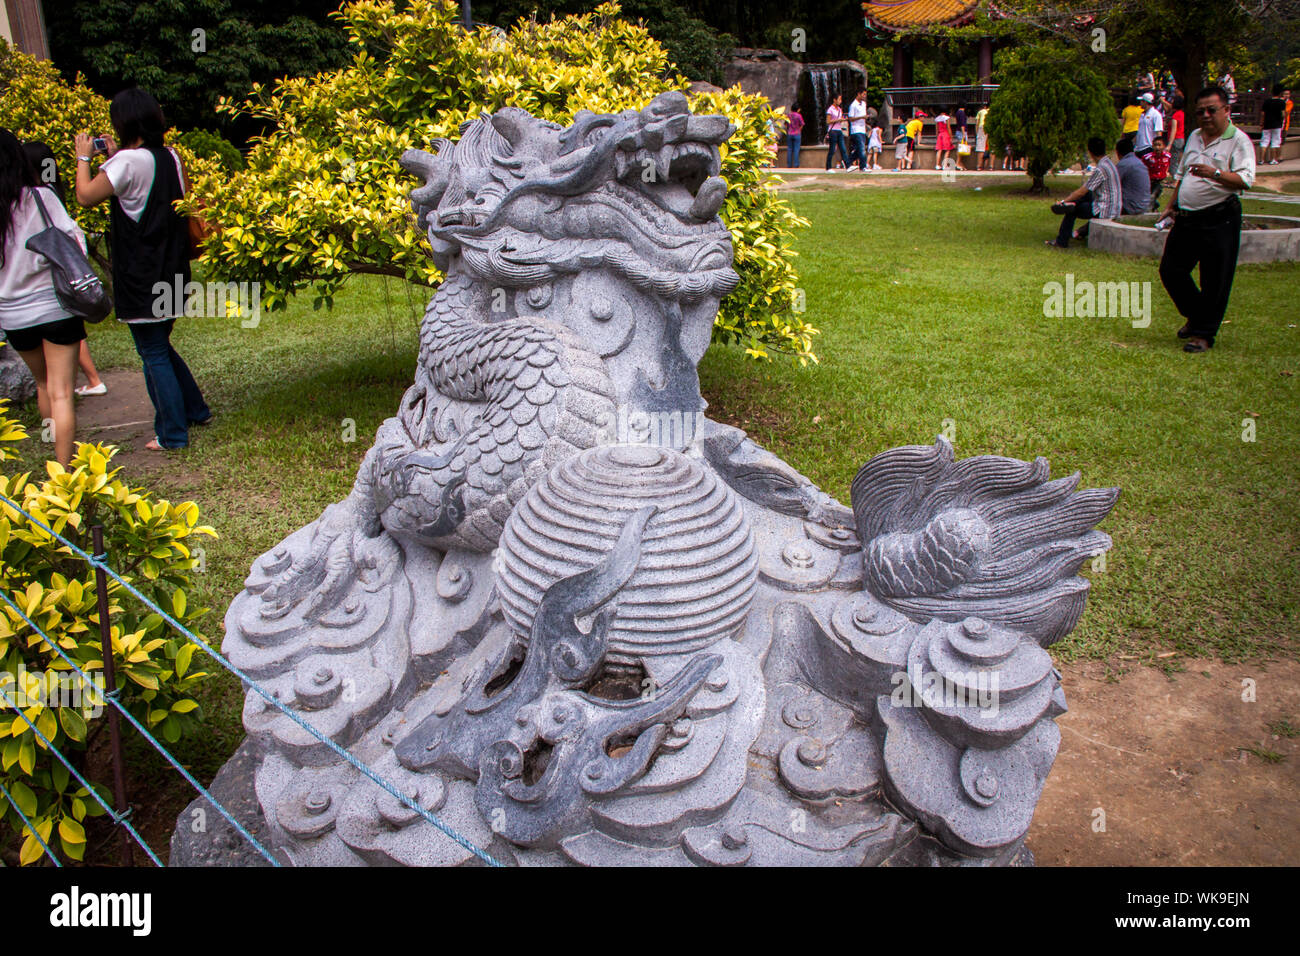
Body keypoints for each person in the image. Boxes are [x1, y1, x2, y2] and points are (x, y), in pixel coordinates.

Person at [75, 87, 210, 450]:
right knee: (160, 344)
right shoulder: (171, 156)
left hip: (141, 274)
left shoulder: (123, 163)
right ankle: (195, 410)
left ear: (123, 122)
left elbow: (85, 196)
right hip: (173, 269)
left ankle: (172, 434)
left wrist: (84, 158)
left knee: (152, 352)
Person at [0, 129, 87, 465]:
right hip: (54, 307)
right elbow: (74, 241)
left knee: (42, 384)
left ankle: (51, 444)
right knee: (62, 392)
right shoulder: (40, 197)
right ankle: (63, 474)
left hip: (12, 315)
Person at [1156, 85, 1255, 353]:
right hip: (1188, 218)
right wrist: (1171, 204)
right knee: (1171, 270)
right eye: (1201, 111)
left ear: (1226, 110)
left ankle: (1203, 334)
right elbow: (1183, 174)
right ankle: (1198, 317)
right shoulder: (1195, 137)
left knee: (1215, 278)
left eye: (1212, 110)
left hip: (1219, 217)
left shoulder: (1239, 141)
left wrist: (1215, 173)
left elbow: (1246, 180)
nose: (1206, 115)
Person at [22, 141, 106, 398]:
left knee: (48, 386)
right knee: (59, 390)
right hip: (61, 288)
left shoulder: (35, 196)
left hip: (40, 296)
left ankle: (93, 380)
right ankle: (92, 381)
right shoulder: (51, 190)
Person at [1046, 137, 1119, 249]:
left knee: (1072, 211)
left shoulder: (1101, 169)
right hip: (1113, 204)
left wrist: (1065, 200)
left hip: (1105, 209)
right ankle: (1071, 204)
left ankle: (1061, 242)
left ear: (1090, 152)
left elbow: (1082, 191)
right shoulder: (1109, 163)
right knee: (1082, 198)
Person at [1115, 136, 1152, 213]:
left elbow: (1112, 183)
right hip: (1144, 205)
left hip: (1131, 207)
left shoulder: (1123, 164)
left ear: (1118, 152)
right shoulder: (1140, 162)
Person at [1141, 135, 1171, 210]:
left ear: (1164, 146)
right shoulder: (1147, 157)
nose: (1157, 147)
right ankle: (1154, 207)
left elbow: (1168, 164)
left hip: (1160, 181)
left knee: (1154, 195)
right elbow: (1142, 167)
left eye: (1159, 145)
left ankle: (1153, 207)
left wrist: (1166, 172)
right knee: (1150, 196)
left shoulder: (1167, 156)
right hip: (1150, 180)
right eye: (1155, 145)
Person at [1259, 84, 1286, 166]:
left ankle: (1261, 160)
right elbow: (1283, 114)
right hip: (1277, 124)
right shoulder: (1282, 102)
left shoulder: (1267, 102)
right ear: (1280, 93)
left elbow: (1263, 114)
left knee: (1264, 141)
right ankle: (1273, 159)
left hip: (1267, 124)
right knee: (1275, 142)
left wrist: (1262, 123)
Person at [824, 94, 849, 171]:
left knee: (843, 148)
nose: (840, 101)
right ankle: (828, 167)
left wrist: (842, 120)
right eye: (839, 99)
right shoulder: (830, 109)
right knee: (832, 149)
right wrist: (837, 120)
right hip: (833, 131)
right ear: (834, 100)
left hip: (839, 130)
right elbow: (828, 121)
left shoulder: (839, 109)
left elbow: (840, 119)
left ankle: (847, 165)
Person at [847, 90, 869, 172]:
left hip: (863, 129)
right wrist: (861, 117)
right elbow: (851, 118)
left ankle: (847, 162)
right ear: (858, 94)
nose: (864, 96)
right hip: (856, 130)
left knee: (860, 149)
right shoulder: (853, 105)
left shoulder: (864, 104)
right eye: (863, 94)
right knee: (862, 148)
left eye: (865, 94)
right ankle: (863, 166)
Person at [1168, 95, 1186, 174]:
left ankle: (1174, 178)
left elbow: (1174, 130)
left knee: (1174, 161)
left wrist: (1169, 144)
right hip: (1181, 138)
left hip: (1176, 139)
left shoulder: (1176, 115)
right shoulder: (1182, 113)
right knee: (1178, 159)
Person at [785, 104, 804, 169]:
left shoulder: (788, 115)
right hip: (797, 134)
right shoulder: (799, 116)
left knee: (789, 149)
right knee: (796, 149)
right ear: (797, 109)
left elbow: (785, 124)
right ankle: (796, 164)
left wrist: (788, 129)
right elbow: (802, 124)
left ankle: (789, 165)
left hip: (789, 133)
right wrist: (799, 130)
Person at [975, 104, 991, 170]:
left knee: (980, 147)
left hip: (982, 127)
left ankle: (979, 165)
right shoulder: (993, 112)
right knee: (989, 147)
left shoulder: (981, 112)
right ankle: (990, 166)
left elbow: (977, 124)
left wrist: (977, 133)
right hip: (990, 127)